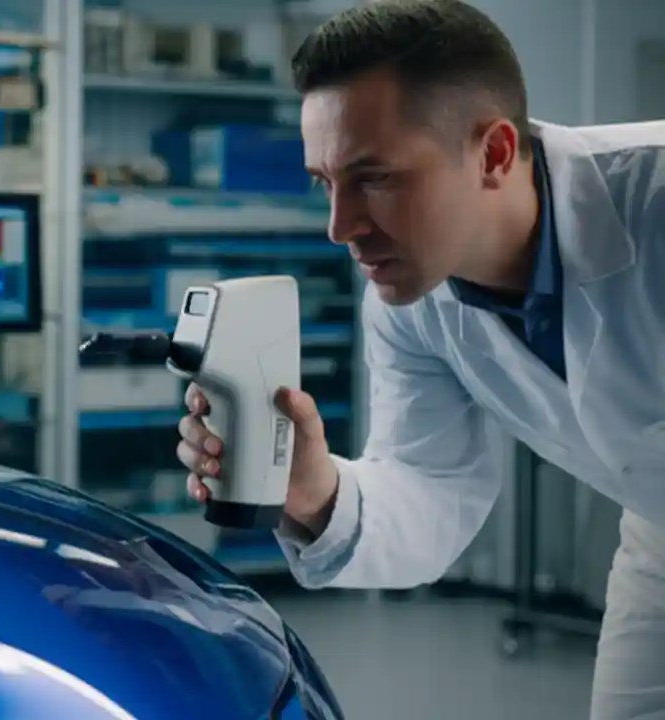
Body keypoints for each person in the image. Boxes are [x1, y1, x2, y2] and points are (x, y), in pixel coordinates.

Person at [174, 1, 665, 717]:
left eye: (375, 178)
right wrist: (313, 491)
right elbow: (432, 487)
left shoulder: (652, 201)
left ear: (494, 154)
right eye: (325, 181)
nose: (340, 228)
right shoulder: (412, 302)